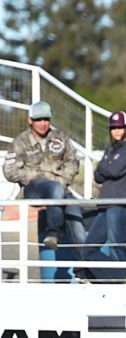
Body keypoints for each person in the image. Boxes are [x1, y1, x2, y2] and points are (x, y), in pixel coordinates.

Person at [3, 100, 83, 282]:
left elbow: (73, 161)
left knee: (76, 218)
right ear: (30, 120)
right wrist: (33, 177)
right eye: (39, 120)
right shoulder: (20, 142)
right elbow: (10, 170)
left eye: (46, 119)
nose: (43, 123)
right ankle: (53, 231)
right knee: (52, 188)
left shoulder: (60, 137)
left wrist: (64, 180)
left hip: (60, 187)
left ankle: (83, 267)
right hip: (34, 188)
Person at [80, 111, 126, 283]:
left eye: (120, 127)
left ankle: (119, 277)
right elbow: (98, 176)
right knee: (88, 249)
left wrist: (105, 166)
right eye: (113, 127)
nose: (116, 131)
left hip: (120, 205)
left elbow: (112, 170)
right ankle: (114, 278)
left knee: (116, 246)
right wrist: (108, 166)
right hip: (105, 205)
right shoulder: (110, 148)